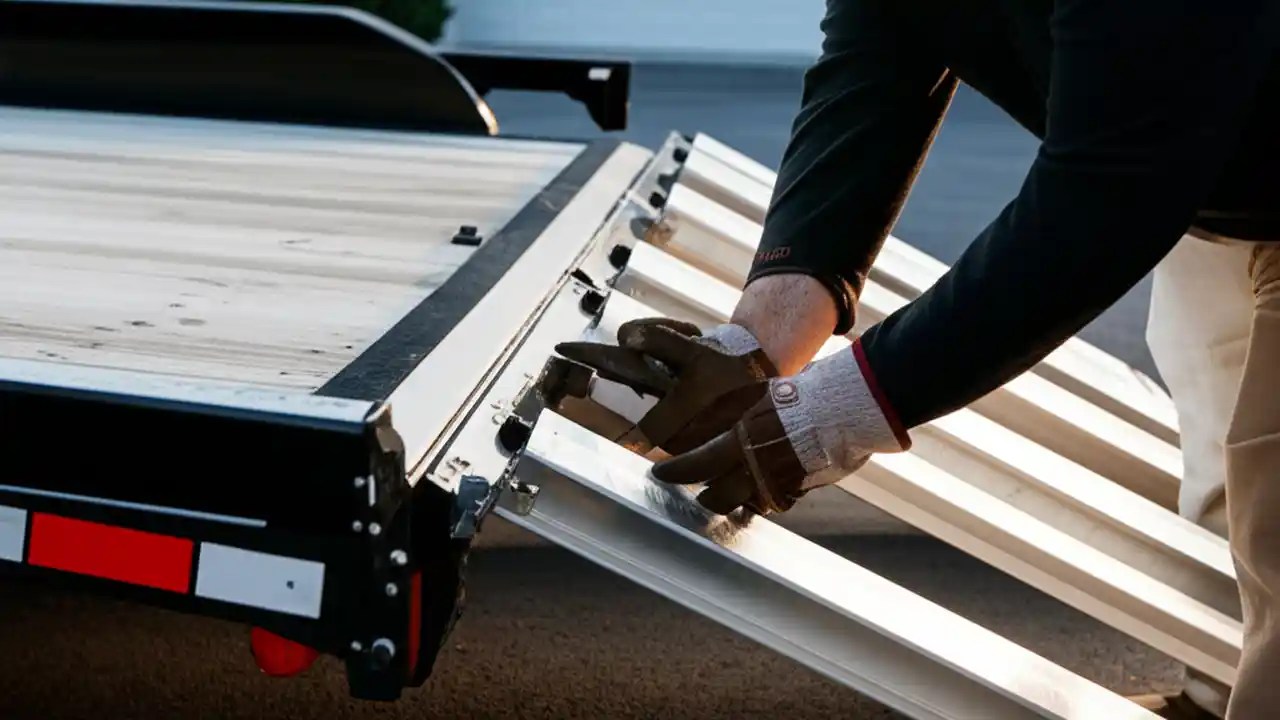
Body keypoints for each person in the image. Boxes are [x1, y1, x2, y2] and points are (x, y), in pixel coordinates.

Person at [558, 1, 1280, 718]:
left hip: (1176, 155)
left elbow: (1109, 189)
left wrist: (838, 411)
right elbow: (875, 67)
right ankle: (1220, 692)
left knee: (1275, 512)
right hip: (1211, 161)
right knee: (1224, 481)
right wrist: (756, 343)